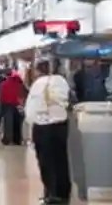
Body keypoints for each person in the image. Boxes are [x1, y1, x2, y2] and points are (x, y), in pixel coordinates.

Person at [25, 60, 71, 205]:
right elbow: (67, 101)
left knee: (46, 162)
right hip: (60, 126)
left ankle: (51, 194)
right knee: (60, 160)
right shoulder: (62, 82)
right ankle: (63, 194)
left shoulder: (38, 84)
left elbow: (31, 109)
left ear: (39, 71)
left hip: (43, 127)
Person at [0, 68, 27, 146]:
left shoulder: (3, 84)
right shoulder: (20, 83)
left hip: (8, 106)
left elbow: (2, 97)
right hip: (19, 105)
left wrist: (0, 110)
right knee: (18, 123)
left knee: (8, 123)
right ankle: (17, 140)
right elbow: (26, 93)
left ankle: (7, 140)